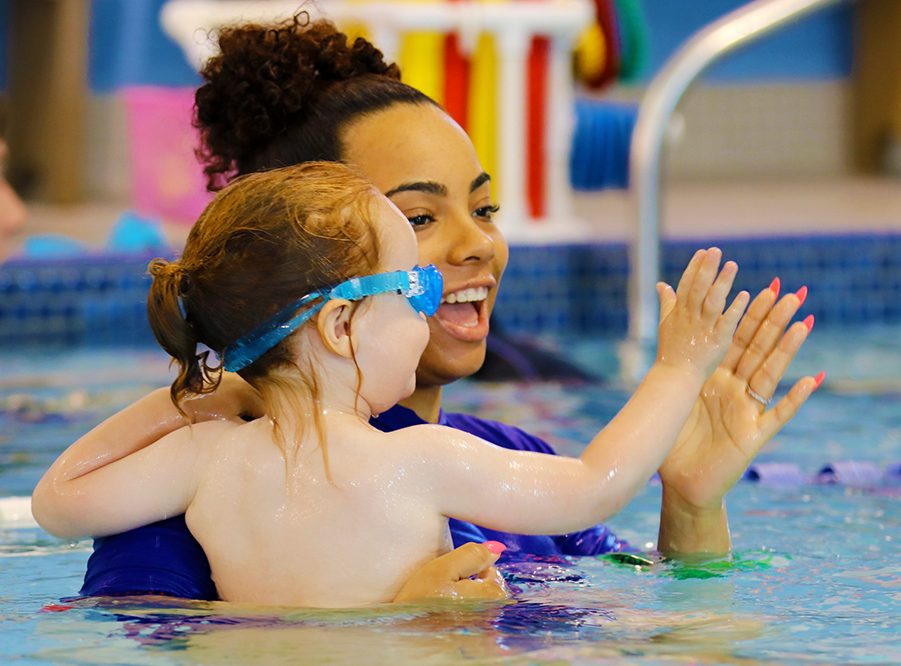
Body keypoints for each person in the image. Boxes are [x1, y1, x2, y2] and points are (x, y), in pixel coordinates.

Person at [68, 17, 820, 601]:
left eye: (484, 207)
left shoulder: (500, 450)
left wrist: (689, 504)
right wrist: (383, 620)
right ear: (315, 288)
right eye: (418, 222)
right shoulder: (184, 506)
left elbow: (657, 630)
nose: (479, 246)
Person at [34, 159, 751, 607]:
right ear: (341, 327)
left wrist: (197, 390)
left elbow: (57, 503)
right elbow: (594, 485)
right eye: (416, 288)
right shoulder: (416, 459)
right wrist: (677, 368)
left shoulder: (201, 460)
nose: (431, 307)